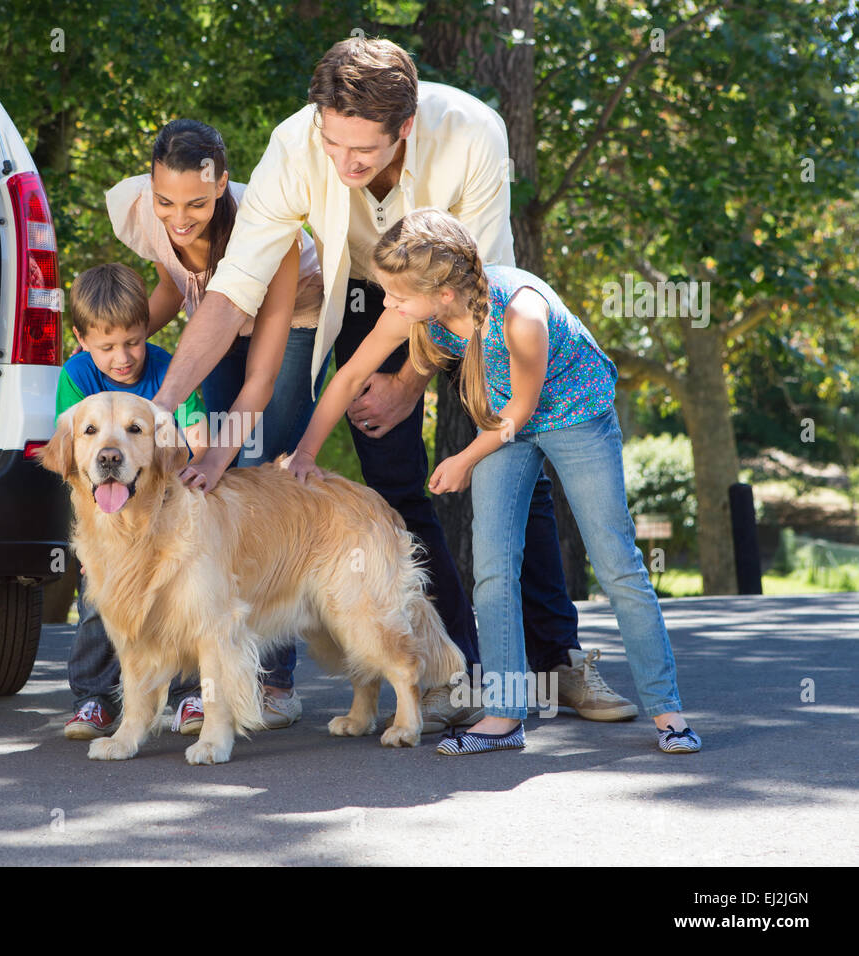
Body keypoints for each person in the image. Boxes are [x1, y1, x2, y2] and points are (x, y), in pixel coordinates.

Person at [150, 36, 636, 730]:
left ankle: (557, 658)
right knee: (394, 484)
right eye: (332, 144)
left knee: (513, 462)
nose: (344, 164)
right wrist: (161, 405)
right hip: (357, 295)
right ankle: (449, 677)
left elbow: (481, 294)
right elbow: (231, 293)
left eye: (363, 153)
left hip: (460, 302)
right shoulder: (294, 146)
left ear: (404, 128)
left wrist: (412, 378)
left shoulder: (471, 134)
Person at [286, 207, 701, 755]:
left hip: (574, 415)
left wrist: (462, 460)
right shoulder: (421, 311)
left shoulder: (520, 313)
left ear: (443, 294)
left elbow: (522, 410)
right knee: (493, 570)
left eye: (397, 296)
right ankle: (504, 717)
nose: (388, 305)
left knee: (618, 565)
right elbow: (350, 377)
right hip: (503, 424)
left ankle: (668, 713)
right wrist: (305, 455)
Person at [105, 118, 326, 728]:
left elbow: (260, 378)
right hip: (214, 326)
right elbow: (175, 287)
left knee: (256, 471)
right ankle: (210, 667)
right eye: (167, 200)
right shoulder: (145, 211)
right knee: (210, 491)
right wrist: (116, 348)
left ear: (224, 186)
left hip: (290, 332)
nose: (179, 216)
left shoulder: (270, 230)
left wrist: (217, 455)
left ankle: (274, 680)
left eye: (198, 203)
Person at [56, 263, 210, 740]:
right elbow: (72, 461)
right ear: (81, 339)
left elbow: (200, 443)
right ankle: (94, 699)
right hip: (107, 522)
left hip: (166, 516)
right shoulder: (77, 375)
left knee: (179, 602)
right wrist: (91, 544)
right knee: (99, 603)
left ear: (148, 328)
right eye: (106, 347)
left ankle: (190, 698)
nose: (122, 359)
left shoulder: (169, 369)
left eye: (133, 341)